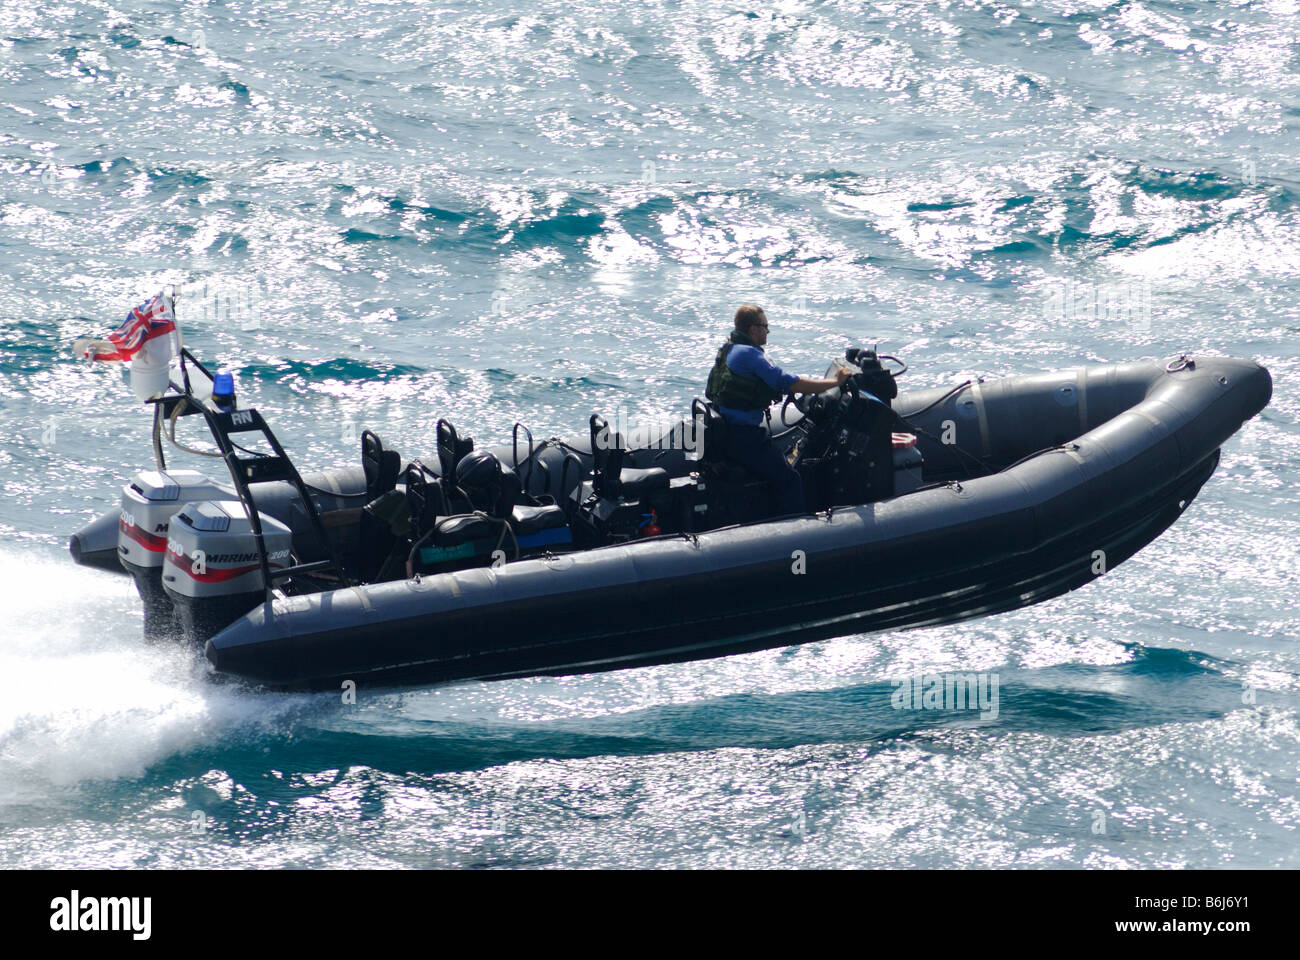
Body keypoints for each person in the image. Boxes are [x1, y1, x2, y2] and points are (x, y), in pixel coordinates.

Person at [705, 304, 851, 515]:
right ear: (753, 329)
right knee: (790, 479)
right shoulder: (751, 355)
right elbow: (791, 383)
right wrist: (835, 382)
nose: (768, 331)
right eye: (765, 326)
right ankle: (794, 529)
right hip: (743, 436)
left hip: (726, 432)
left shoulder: (731, 348)